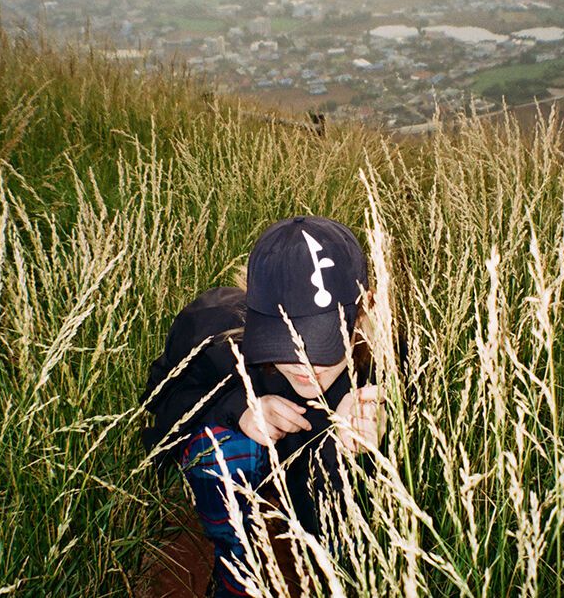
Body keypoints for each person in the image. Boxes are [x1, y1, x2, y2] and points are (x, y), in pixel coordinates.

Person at [140, 215, 386, 598]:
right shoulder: (216, 332)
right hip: (248, 454)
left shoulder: (385, 372)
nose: (304, 364)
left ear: (365, 308)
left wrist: (360, 450)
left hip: (309, 487)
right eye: (284, 342)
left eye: (320, 342)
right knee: (224, 452)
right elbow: (162, 400)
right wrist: (237, 407)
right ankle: (237, 572)